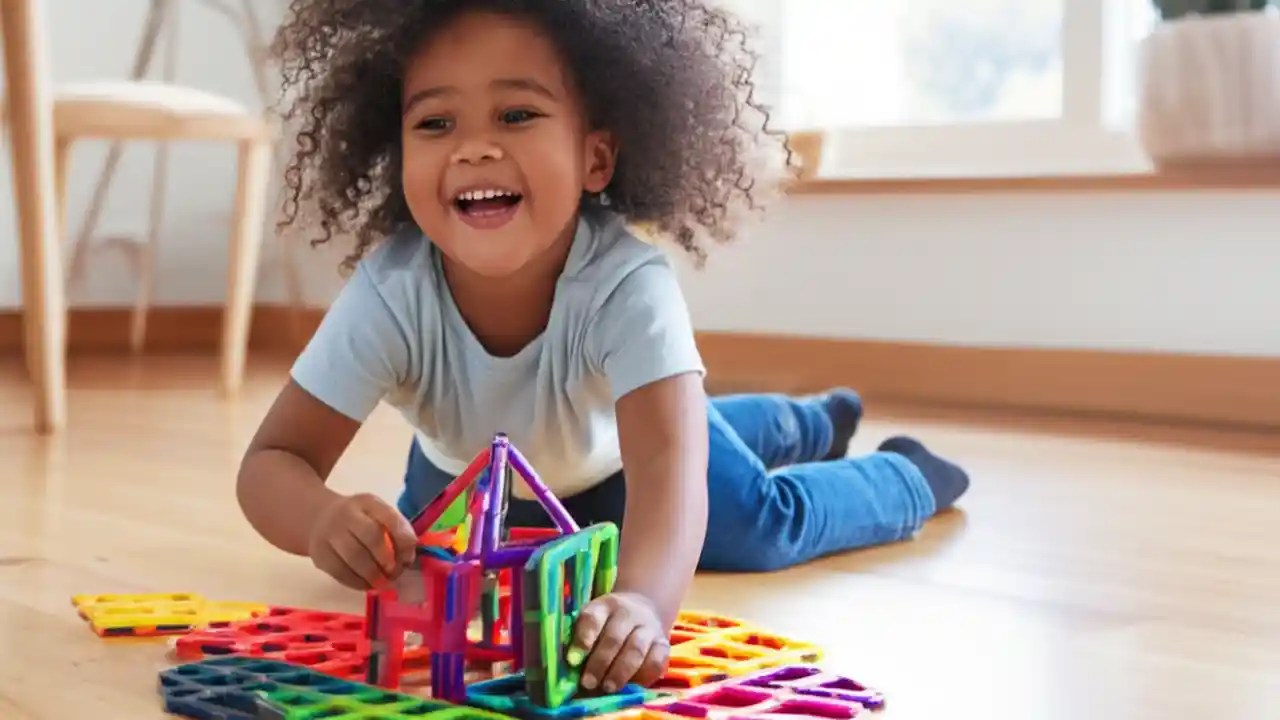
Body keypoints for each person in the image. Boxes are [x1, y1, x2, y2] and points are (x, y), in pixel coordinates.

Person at [237, 0, 970, 697]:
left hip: (619, 469)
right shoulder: (389, 293)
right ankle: (795, 421)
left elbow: (668, 466)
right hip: (459, 479)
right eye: (435, 122)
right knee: (435, 573)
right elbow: (274, 461)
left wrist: (645, 601)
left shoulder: (627, 285)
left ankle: (900, 473)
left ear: (595, 158)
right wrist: (322, 518)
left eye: (516, 114)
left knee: (761, 526)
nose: (474, 146)